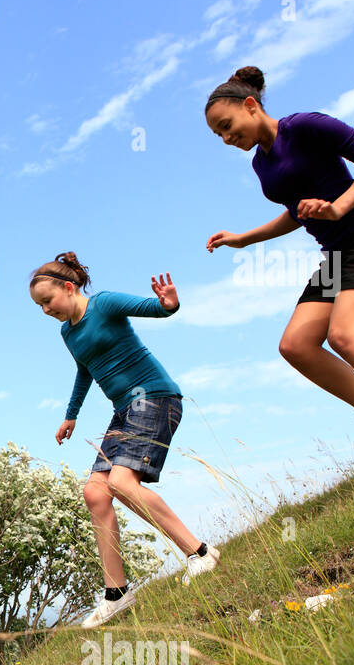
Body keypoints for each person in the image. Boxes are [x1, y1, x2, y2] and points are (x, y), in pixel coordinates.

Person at [203, 65, 354, 488]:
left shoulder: (305, 126)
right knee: (297, 345)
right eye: (219, 136)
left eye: (227, 126)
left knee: (346, 335)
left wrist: (340, 207)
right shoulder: (261, 164)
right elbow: (295, 212)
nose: (227, 139)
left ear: (250, 105)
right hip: (339, 254)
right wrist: (244, 239)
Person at [31, 251, 219, 629]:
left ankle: (200, 552)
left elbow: (157, 308)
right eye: (39, 306)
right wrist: (71, 416)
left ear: (69, 288)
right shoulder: (67, 332)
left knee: (120, 482)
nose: (45, 310)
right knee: (95, 493)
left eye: (47, 301)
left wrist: (169, 304)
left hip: (155, 397)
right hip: (125, 411)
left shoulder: (105, 304)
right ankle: (116, 594)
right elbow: (85, 372)